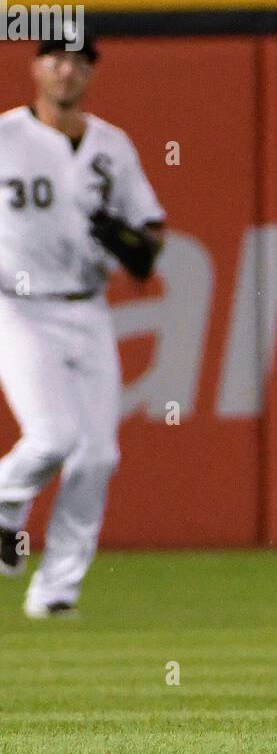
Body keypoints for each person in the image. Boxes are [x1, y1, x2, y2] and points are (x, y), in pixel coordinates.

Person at [0, 33, 165, 619]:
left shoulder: (111, 146)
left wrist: (129, 239)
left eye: (78, 61)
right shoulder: (6, 135)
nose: (66, 70)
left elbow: (148, 233)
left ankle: (56, 590)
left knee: (97, 455)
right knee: (52, 435)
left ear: (91, 72)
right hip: (17, 306)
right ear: (35, 66)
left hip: (86, 306)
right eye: (55, 58)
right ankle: (4, 503)